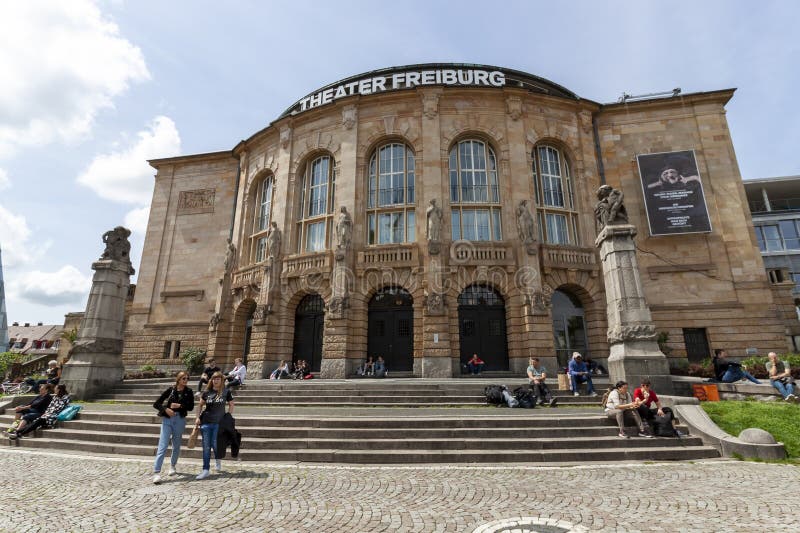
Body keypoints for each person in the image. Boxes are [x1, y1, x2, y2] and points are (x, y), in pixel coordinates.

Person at [152, 371, 195, 484]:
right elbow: (156, 403)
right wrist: (166, 409)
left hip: (180, 420)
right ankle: (156, 473)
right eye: (183, 379)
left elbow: (191, 407)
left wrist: (180, 406)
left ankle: (172, 466)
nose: (185, 381)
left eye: (187, 379)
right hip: (167, 420)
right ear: (178, 379)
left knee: (176, 445)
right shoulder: (171, 390)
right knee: (163, 445)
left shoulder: (189, 391)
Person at [194, 372, 234, 480]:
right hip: (206, 423)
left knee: (216, 445)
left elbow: (231, 404)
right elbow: (200, 405)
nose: (215, 380)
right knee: (206, 447)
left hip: (219, 423)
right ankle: (205, 470)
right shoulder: (207, 392)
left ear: (222, 380)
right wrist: (197, 417)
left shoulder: (226, 392)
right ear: (211, 380)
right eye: (214, 379)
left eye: (218, 379)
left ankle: (218, 459)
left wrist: (228, 416)